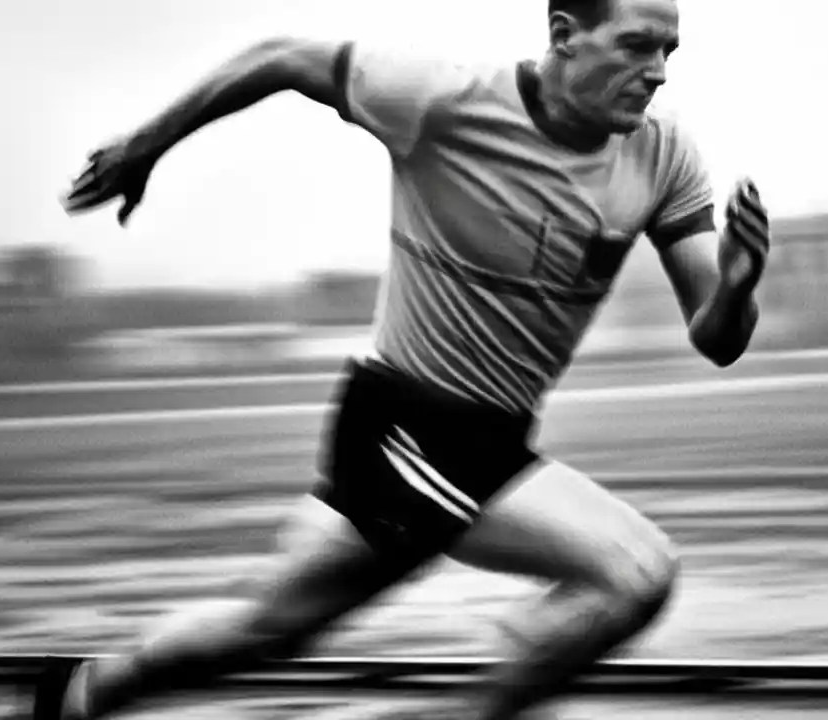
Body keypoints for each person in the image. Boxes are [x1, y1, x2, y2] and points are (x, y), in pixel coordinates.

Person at [51, 0, 770, 717]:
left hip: (486, 440)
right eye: (638, 46)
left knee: (266, 628)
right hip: (405, 420)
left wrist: (736, 285)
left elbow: (718, 339)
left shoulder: (663, 153)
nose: (657, 73)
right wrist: (144, 146)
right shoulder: (445, 98)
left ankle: (87, 693)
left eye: (668, 53)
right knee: (632, 572)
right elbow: (279, 56)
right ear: (565, 36)